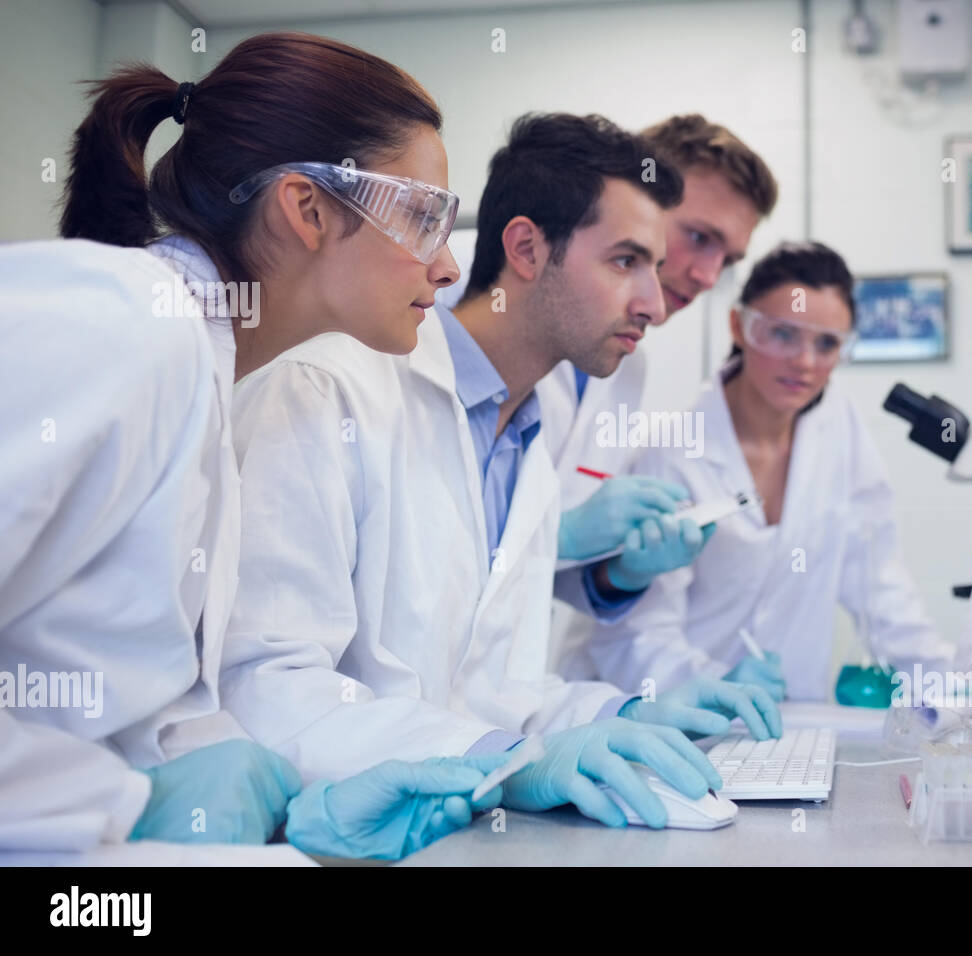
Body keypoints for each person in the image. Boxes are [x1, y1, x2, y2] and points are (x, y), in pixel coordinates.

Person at [0, 32, 507, 863]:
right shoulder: (128, 323)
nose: (448, 267)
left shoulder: (208, 376)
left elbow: (128, 703)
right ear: (307, 209)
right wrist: (116, 801)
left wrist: (293, 810)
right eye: (423, 216)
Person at [221, 113, 782, 832]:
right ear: (524, 247)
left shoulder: (523, 437)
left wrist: (627, 710)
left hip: (457, 830)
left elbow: (489, 691)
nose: (655, 299)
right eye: (625, 262)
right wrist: (506, 758)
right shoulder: (326, 389)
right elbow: (267, 686)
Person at [567, 242, 957, 701]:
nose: (806, 362)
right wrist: (713, 687)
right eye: (784, 334)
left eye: (827, 343)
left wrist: (953, 683)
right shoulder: (674, 451)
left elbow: (881, 587)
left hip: (794, 722)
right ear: (740, 325)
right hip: (678, 719)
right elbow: (636, 634)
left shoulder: (842, 433)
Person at [537, 115, 781, 677]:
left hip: (506, 696)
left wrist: (617, 574)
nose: (706, 274)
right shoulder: (447, 314)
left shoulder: (624, 368)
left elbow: (538, 579)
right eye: (700, 237)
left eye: (728, 258)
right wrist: (559, 533)